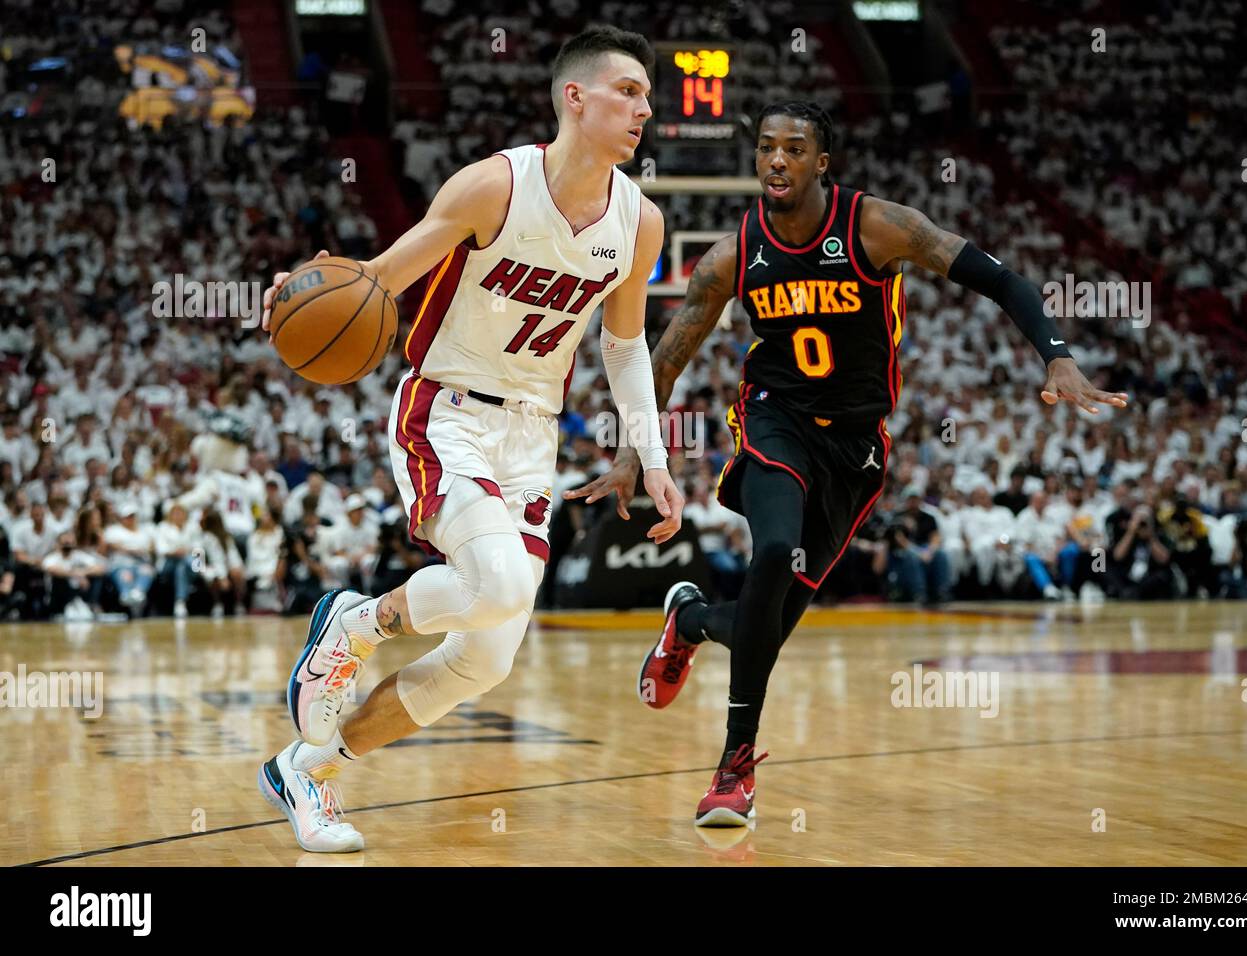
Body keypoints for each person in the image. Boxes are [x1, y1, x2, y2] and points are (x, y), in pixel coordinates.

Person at [568, 100, 1127, 826]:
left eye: (794, 149)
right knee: (771, 548)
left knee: (764, 628)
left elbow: (1003, 281)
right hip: (775, 421)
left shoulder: (878, 226)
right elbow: (665, 362)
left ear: (821, 162)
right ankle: (734, 767)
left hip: (856, 450)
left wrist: (1057, 357)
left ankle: (693, 619)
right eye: (767, 147)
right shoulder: (734, 254)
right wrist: (631, 455)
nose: (776, 160)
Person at [254, 26, 683, 852]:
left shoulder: (641, 222)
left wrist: (652, 458)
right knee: (494, 582)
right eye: (626, 91)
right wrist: (302, 288)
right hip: (445, 411)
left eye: (645, 97)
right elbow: (378, 278)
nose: (643, 108)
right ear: (576, 97)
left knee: (485, 657)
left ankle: (307, 769)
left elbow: (623, 347)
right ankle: (352, 626)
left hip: (533, 439)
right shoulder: (494, 185)